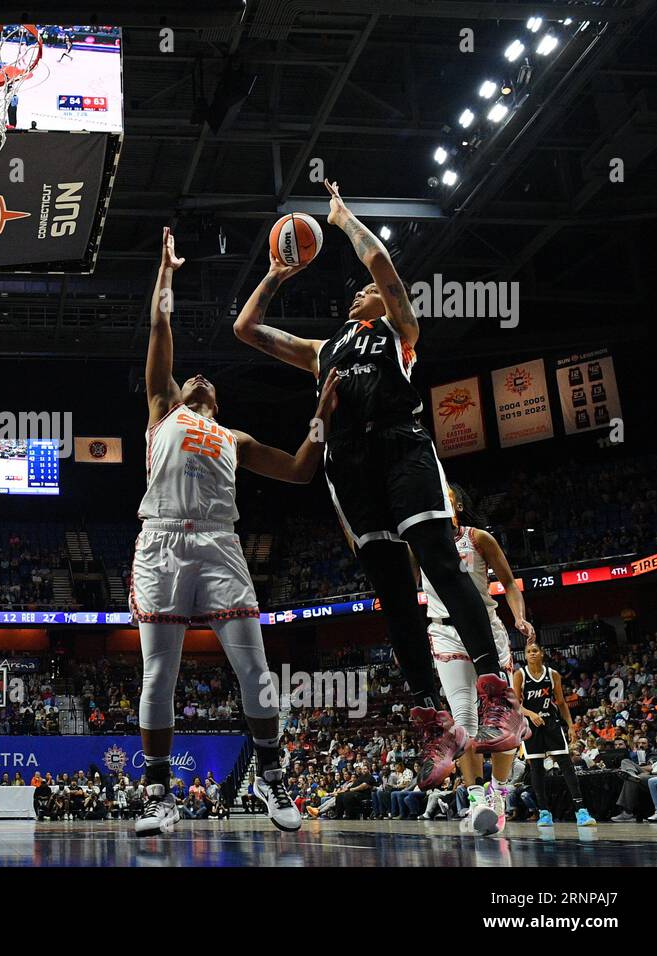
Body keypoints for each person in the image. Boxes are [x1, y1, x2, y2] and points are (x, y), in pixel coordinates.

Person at [233, 179, 523, 790]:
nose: (366, 290)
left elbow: (384, 266)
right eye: (359, 291)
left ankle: (496, 691)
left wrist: (342, 219)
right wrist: (277, 274)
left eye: (372, 291)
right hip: (349, 463)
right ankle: (433, 719)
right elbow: (247, 329)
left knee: (441, 565)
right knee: (394, 593)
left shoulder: (399, 332)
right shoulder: (323, 350)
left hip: (402, 446)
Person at [131, 227, 339, 838]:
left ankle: (270, 778)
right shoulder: (162, 408)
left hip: (222, 543)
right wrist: (166, 275)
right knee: (157, 675)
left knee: (256, 670)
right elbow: (160, 331)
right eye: (188, 379)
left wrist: (323, 414)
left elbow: (301, 470)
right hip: (161, 541)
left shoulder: (235, 439)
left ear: (216, 401)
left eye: (207, 382)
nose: (196, 379)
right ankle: (157, 795)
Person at [417, 483, 533, 836]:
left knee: (500, 719)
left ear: (457, 504)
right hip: (444, 631)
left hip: (486, 627)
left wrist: (519, 616)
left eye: (446, 495)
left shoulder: (479, 538)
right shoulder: (418, 545)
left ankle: (499, 792)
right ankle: (476, 798)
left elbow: (510, 584)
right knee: (461, 718)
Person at [516, 641, 595, 827]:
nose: (532, 654)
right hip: (531, 728)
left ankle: (581, 811)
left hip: (551, 724)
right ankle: (544, 812)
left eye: (535, 650)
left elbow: (560, 702)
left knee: (566, 766)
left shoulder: (553, 675)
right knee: (536, 769)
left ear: (541, 653)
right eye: (528, 651)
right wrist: (530, 714)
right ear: (525, 656)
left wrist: (570, 725)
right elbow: (515, 704)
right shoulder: (520, 675)